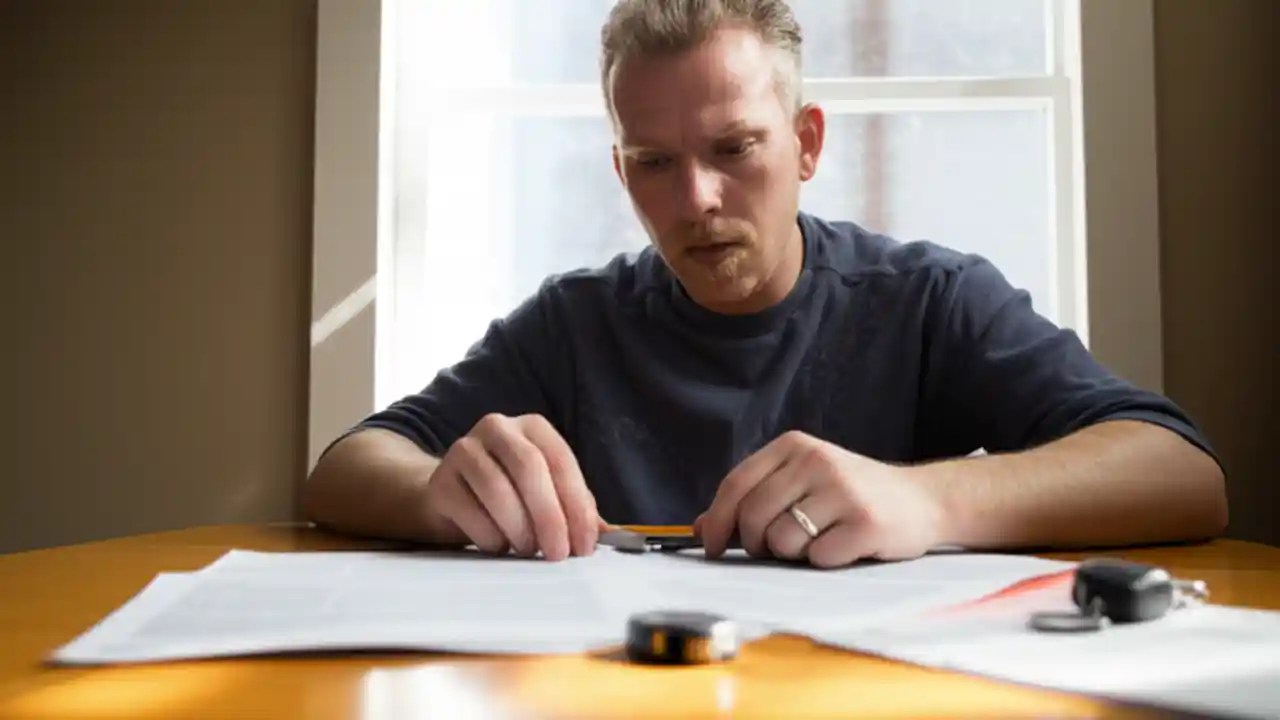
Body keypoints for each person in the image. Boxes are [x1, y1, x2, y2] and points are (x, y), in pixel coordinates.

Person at [304, 0, 1227, 568]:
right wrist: (436, 496)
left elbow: (1182, 473)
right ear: (622, 174)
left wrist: (926, 503)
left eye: (734, 148)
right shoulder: (571, 324)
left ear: (807, 143)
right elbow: (347, 466)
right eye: (654, 162)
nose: (697, 198)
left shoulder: (928, 301)